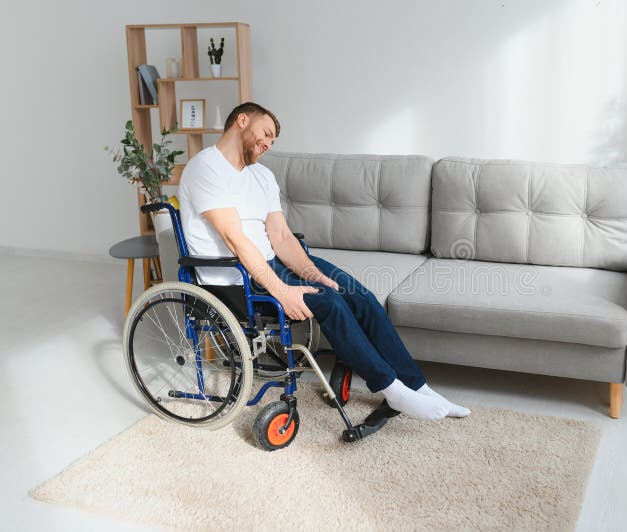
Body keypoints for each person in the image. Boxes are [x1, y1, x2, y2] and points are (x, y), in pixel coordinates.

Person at [178, 102, 469, 420]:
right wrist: (282, 291)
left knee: (358, 295)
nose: (268, 144)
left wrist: (312, 272)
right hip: (235, 279)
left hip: (269, 261)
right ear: (242, 121)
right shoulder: (205, 167)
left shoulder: (261, 175)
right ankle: (392, 389)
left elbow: (282, 237)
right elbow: (235, 240)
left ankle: (418, 386)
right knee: (329, 302)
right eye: (265, 134)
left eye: (273, 141)